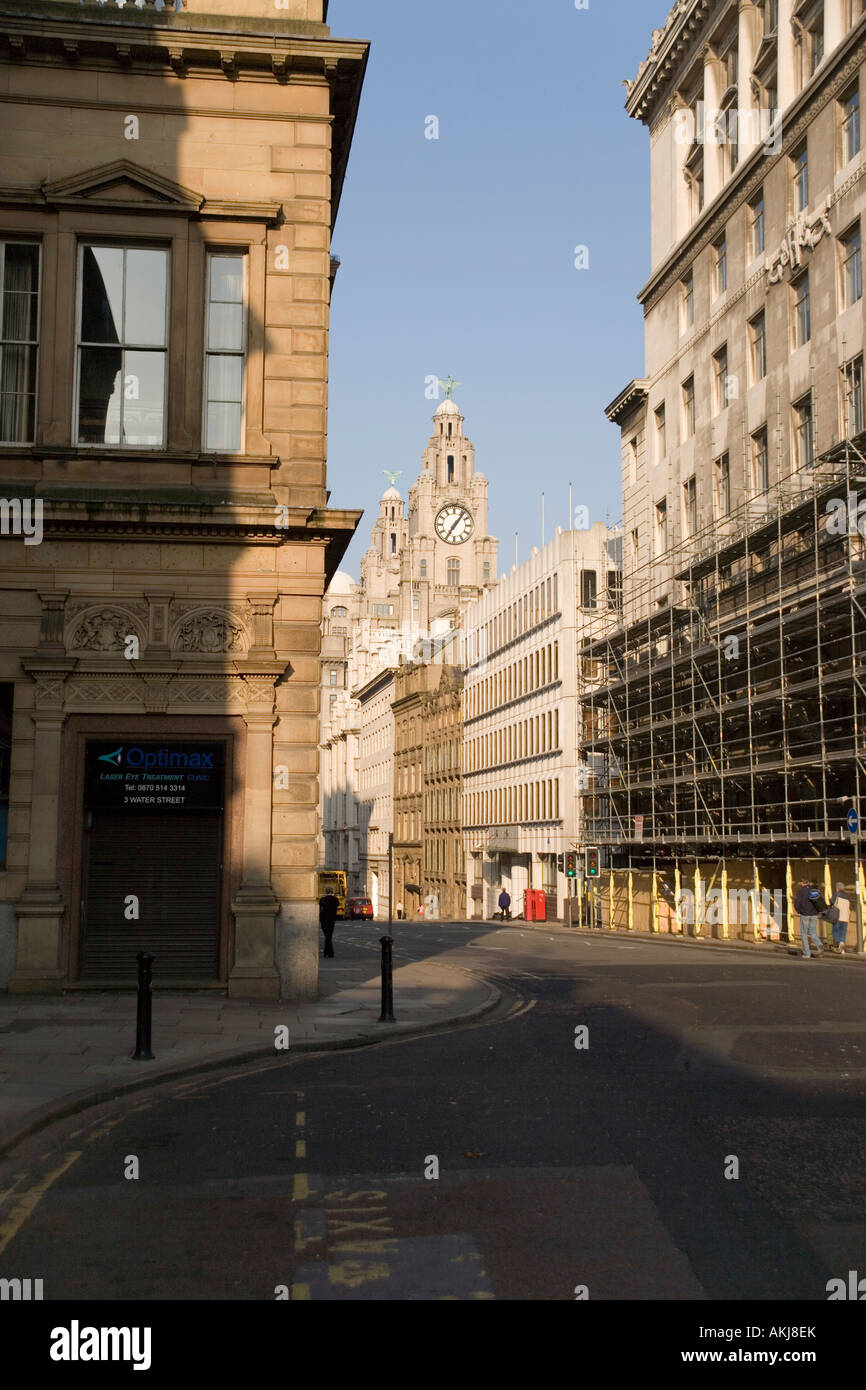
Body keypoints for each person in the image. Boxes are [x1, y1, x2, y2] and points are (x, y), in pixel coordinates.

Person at [793, 879, 826, 958]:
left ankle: (807, 953)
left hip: (805, 914)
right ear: (808, 883)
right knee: (813, 932)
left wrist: (799, 911)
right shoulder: (814, 891)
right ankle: (819, 945)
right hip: (814, 914)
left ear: (802, 883)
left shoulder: (800, 892)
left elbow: (797, 903)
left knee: (804, 933)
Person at [829, 883, 851, 954]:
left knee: (835, 931)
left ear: (837, 888)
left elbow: (832, 902)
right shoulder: (847, 896)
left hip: (838, 916)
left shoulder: (837, 894)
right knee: (843, 932)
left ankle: (840, 943)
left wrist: (830, 899)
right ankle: (842, 946)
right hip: (845, 917)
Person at [319, 890, 339, 958]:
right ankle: (329, 953)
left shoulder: (323, 899)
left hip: (324, 920)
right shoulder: (335, 899)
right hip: (332, 920)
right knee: (329, 936)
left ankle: (327, 952)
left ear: (326, 892)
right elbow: (337, 905)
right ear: (332, 892)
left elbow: (320, 907)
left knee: (327, 936)